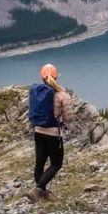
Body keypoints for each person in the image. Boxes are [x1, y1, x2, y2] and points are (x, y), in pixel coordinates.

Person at [28, 62, 68, 198]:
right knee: (56, 164)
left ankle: (42, 193)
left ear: (42, 77)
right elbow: (69, 117)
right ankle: (38, 189)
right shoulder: (61, 95)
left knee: (39, 163)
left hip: (38, 131)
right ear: (56, 77)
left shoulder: (36, 92)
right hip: (53, 134)